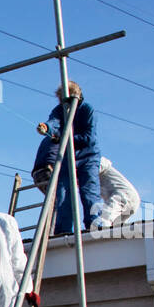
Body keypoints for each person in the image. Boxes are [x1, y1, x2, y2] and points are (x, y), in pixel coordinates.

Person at [36, 81, 102, 234]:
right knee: (63, 194)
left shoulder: (87, 110)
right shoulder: (60, 110)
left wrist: (65, 138)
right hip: (67, 158)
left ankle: (94, 224)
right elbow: (54, 122)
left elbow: (89, 138)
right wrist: (47, 128)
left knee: (89, 192)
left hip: (88, 157)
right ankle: (63, 230)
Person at [94, 157, 139, 229]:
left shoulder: (96, 162)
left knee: (105, 218)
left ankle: (102, 236)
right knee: (117, 229)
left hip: (123, 194)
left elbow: (93, 171)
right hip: (130, 198)